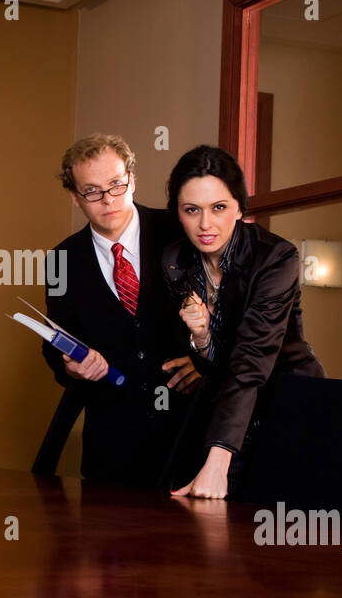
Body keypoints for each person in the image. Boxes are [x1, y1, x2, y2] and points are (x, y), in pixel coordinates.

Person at [160, 145, 324, 500]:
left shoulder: (277, 258)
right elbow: (216, 362)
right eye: (192, 210)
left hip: (289, 402)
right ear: (178, 213)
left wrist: (217, 462)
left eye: (219, 207)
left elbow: (250, 360)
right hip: (227, 407)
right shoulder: (175, 261)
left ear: (239, 206)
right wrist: (201, 337)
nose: (206, 224)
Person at [41, 133, 200, 488]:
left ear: (132, 180)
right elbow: (55, 343)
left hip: (190, 437)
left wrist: (204, 362)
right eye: (92, 191)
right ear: (74, 197)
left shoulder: (180, 232)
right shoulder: (61, 261)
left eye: (116, 184)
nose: (108, 199)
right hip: (112, 450)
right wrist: (71, 365)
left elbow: (229, 315)